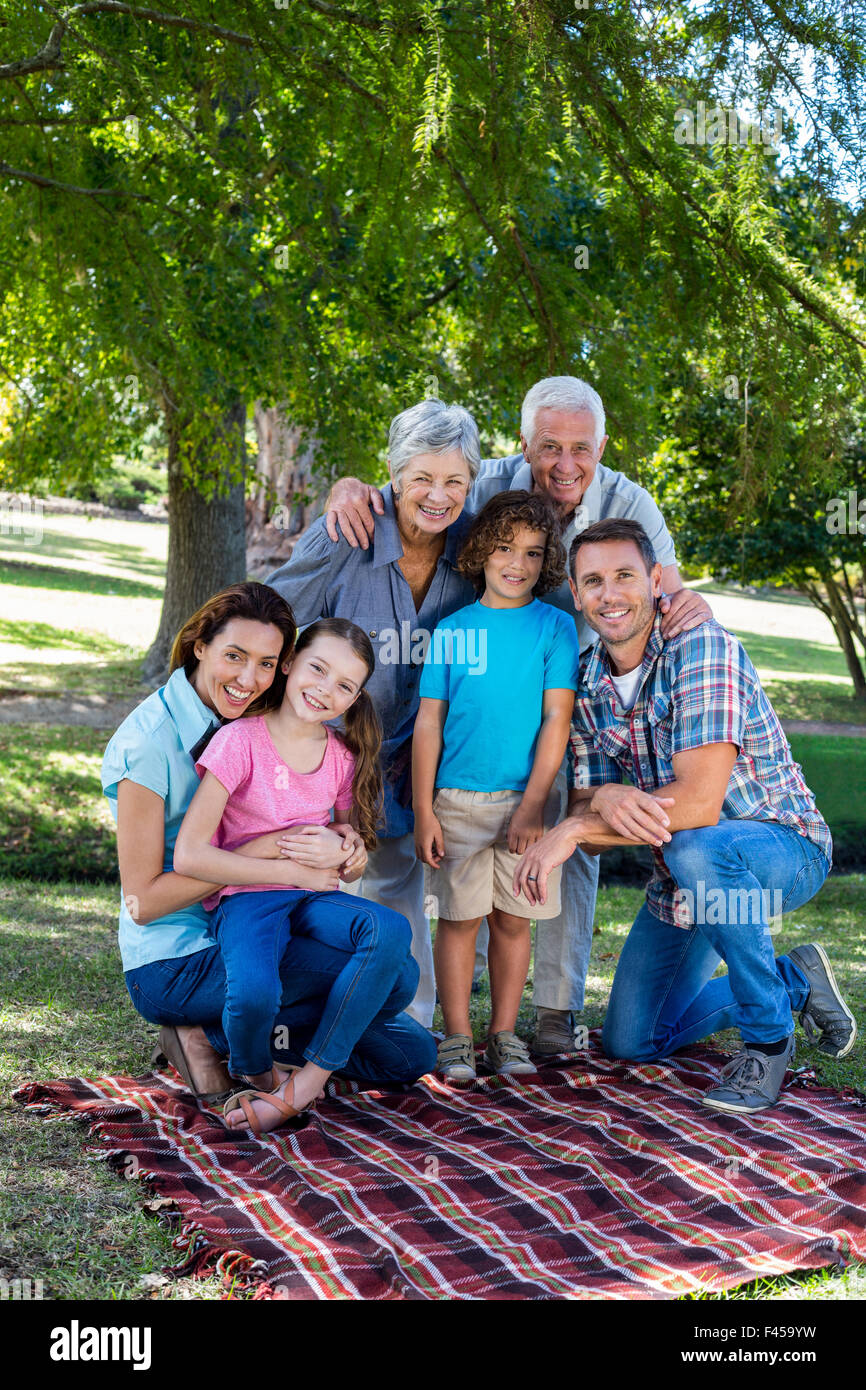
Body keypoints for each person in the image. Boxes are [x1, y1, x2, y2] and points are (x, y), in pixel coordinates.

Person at [323, 376, 713, 1053]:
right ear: (523, 443)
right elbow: (423, 491)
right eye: (549, 447)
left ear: (603, 447)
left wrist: (690, 612)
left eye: (581, 449)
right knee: (464, 894)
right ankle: (457, 1022)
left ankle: (555, 1010)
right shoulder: (485, 487)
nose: (565, 464)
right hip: (477, 693)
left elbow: (667, 590)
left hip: (584, 687)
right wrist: (356, 490)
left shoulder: (630, 503)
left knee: (569, 836)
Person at [514, 518, 856, 1113]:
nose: (610, 594)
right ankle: (796, 979)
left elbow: (696, 806)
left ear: (654, 580)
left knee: (694, 845)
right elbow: (589, 822)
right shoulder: (590, 683)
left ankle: (768, 1040)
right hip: (684, 880)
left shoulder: (701, 647)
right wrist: (598, 800)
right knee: (631, 1040)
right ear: (574, 590)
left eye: (625, 575)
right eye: (593, 580)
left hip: (783, 848)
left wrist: (574, 825)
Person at [102, 585, 436, 1105]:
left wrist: (347, 848)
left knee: (409, 1052)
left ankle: (245, 1039)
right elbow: (143, 903)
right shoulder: (149, 744)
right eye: (234, 656)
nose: (248, 679)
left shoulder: (255, 723)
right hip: (176, 959)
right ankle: (206, 1035)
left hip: (268, 919)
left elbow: (326, 817)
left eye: (265, 663)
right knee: (394, 977)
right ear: (199, 646)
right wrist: (273, 851)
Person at [267, 399, 481, 1027]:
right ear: (393, 473)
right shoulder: (346, 530)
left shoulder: (476, 548)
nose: (437, 496)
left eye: (454, 481)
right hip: (331, 755)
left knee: (399, 894)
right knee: (315, 890)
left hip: (420, 757)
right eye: (421, 478)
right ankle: (290, 1022)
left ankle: (401, 1026)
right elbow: (270, 615)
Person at [174, 618, 420, 1135]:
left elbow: (349, 833)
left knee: (393, 937)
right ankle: (252, 1069)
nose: (326, 690)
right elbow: (191, 854)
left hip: (311, 896)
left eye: (344, 686)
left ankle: (304, 1081)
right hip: (247, 898)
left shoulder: (340, 756)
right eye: (317, 669)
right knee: (255, 994)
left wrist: (350, 849)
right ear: (288, 665)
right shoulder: (239, 741)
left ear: (354, 699)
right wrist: (288, 866)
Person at [414, 493, 580, 1079]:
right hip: (456, 800)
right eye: (506, 548)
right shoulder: (452, 631)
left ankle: (503, 1034)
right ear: (481, 550)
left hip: (528, 805)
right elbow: (428, 723)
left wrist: (535, 804)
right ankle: (456, 1036)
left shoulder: (557, 628)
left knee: (513, 920)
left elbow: (557, 718)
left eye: (534, 553)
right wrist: (423, 809)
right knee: (458, 920)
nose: (518, 563)